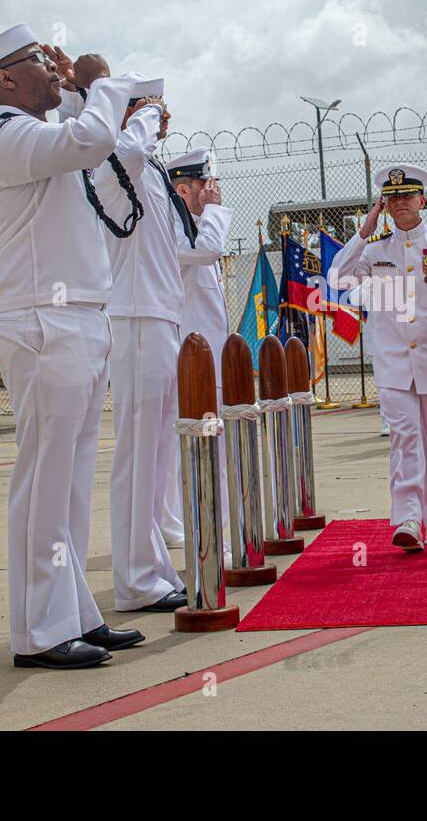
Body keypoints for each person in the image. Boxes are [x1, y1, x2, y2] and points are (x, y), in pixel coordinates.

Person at [0, 24, 145, 669]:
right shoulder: (3, 133)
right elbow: (90, 137)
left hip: (72, 318)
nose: (51, 66)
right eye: (36, 60)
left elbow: (92, 134)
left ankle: (71, 614)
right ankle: (40, 632)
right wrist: (98, 81)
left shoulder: (30, 130)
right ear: (5, 80)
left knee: (68, 484)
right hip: (44, 319)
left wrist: (81, 89)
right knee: (45, 481)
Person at [327, 165, 427, 551]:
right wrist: (363, 231)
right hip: (394, 362)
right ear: (384, 204)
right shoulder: (375, 248)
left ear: (422, 201)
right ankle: (408, 518)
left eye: (406, 197)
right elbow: (338, 279)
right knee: (405, 437)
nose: (400, 204)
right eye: (391, 198)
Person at [90, 81, 191, 614]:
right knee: (136, 452)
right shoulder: (111, 160)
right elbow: (128, 148)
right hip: (132, 317)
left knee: (154, 452)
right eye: (154, 108)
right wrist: (143, 115)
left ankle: (151, 568)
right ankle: (135, 578)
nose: (164, 118)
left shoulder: (149, 170)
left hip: (160, 315)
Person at [163, 148, 234, 553]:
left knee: (200, 447)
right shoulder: (177, 232)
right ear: (184, 188)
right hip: (190, 362)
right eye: (205, 185)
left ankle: (176, 523)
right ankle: (211, 535)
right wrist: (215, 213)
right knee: (204, 450)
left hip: (209, 359)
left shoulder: (196, 228)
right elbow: (208, 251)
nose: (213, 191)